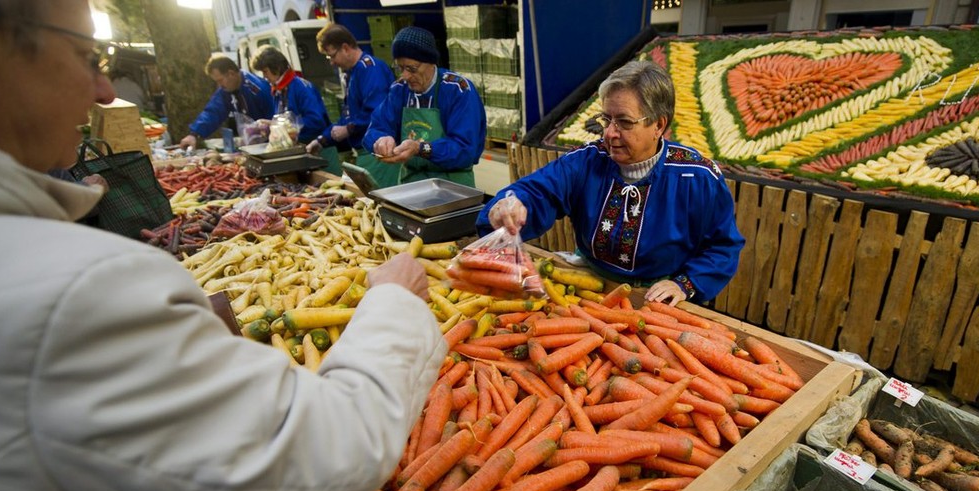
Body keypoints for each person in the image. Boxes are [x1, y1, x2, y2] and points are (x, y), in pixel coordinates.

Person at [0, 2, 446, 491]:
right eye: (87, 59)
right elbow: (335, 447)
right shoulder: (66, 291)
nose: (103, 92)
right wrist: (391, 299)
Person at [479, 60, 744, 306]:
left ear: (659, 126)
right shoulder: (586, 161)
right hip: (590, 288)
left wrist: (686, 284)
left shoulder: (696, 177)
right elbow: (539, 191)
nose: (610, 133)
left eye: (625, 122)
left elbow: (723, 246)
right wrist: (511, 203)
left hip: (659, 300)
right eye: (606, 119)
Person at [363, 26, 486, 187]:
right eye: (400, 68)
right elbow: (374, 129)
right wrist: (379, 140)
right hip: (411, 184)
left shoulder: (457, 90)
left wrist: (420, 148)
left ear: (431, 63)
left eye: (412, 69)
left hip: (452, 186)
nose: (405, 76)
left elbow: (464, 150)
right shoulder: (399, 90)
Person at [307, 23, 401, 188]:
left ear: (345, 47)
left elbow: (376, 113)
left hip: (379, 153)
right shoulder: (352, 73)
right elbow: (348, 116)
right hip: (365, 153)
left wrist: (349, 129)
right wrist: (322, 140)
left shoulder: (371, 70)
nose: (332, 63)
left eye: (331, 56)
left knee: (378, 202)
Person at [179, 55, 275, 151]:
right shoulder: (226, 90)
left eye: (220, 80)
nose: (219, 85)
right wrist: (194, 134)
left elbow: (275, 117)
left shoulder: (257, 88)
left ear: (231, 73)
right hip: (252, 145)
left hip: (271, 145)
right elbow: (213, 112)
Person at [251, 46, 331, 150]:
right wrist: (272, 125)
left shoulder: (302, 88)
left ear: (277, 67)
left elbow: (316, 121)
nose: (264, 77)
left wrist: (286, 127)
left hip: (317, 149)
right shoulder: (278, 91)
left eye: (265, 71)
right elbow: (284, 120)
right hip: (297, 149)